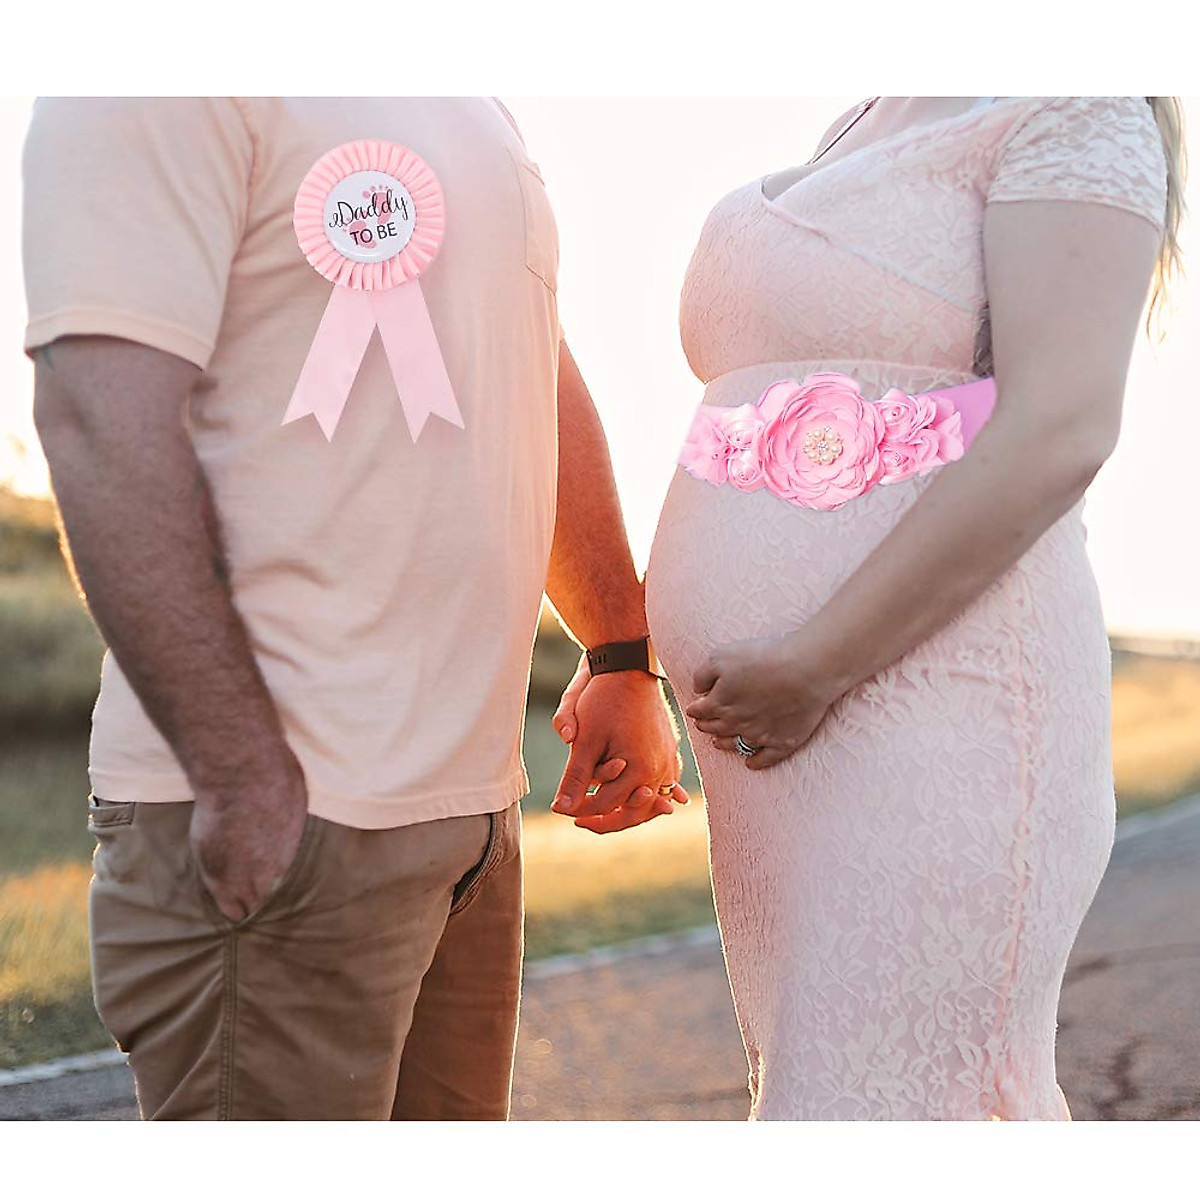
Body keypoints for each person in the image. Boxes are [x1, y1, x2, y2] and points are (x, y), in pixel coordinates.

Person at [23, 97, 686, 1121]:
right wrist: (241, 776)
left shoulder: (470, 96)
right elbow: (98, 417)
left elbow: (527, 367)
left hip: (469, 818)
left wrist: (619, 652)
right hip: (288, 810)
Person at [555, 96, 1184, 1118]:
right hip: (785, 753)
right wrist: (629, 652)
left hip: (940, 710)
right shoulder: (871, 112)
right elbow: (760, 426)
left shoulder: (1074, 98)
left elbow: (1062, 425)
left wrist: (818, 666)